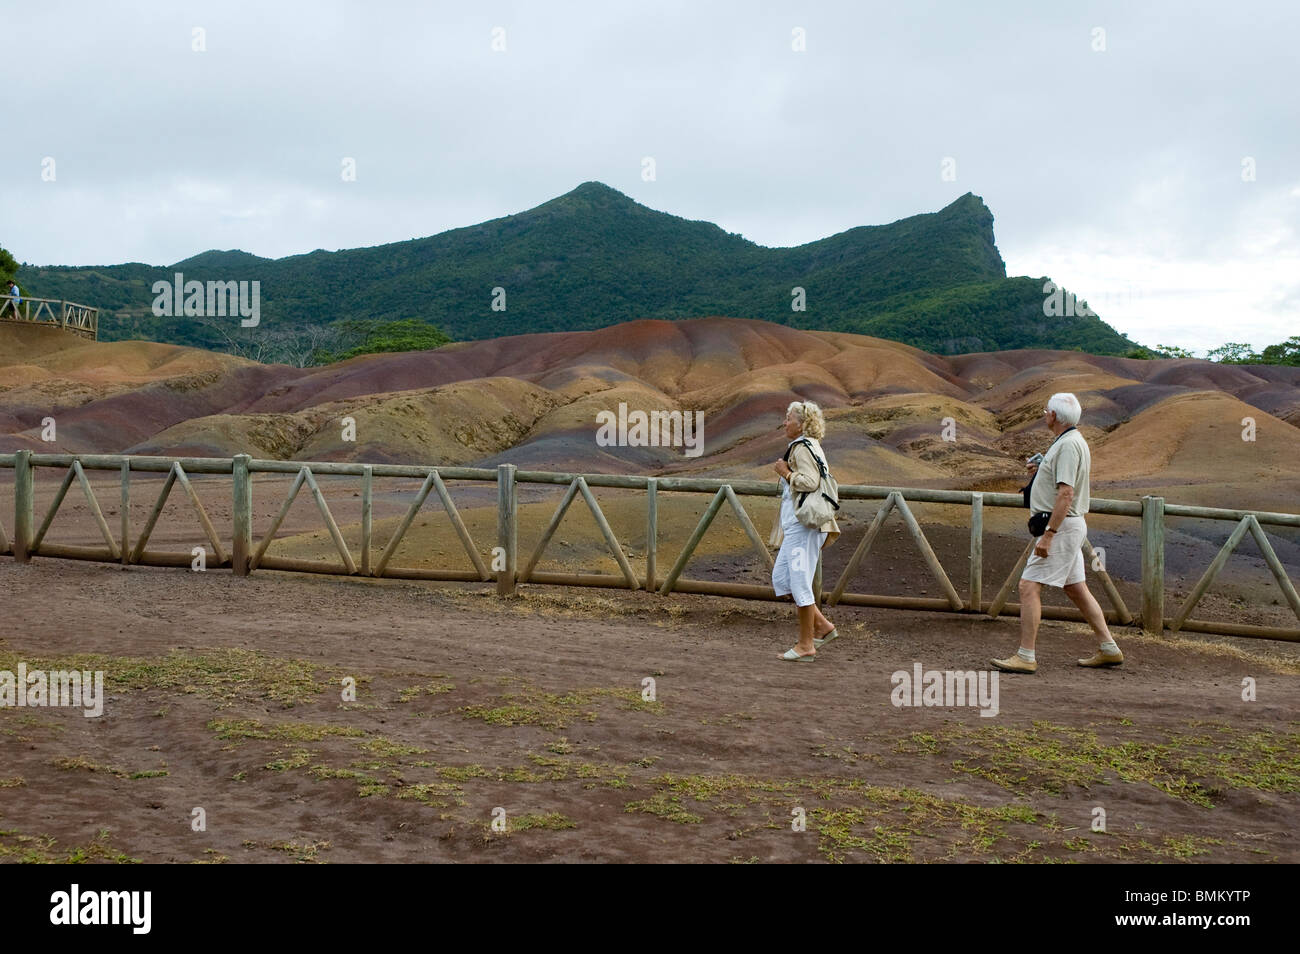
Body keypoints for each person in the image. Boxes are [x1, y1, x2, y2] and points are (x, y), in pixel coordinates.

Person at [992, 392, 1124, 673]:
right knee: (1075, 588)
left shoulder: (1067, 446)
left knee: (1028, 586)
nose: (1044, 415)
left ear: (1053, 415)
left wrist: (1050, 534)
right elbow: (1060, 484)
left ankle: (1026, 656)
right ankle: (1109, 648)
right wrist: (1041, 470)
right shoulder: (1070, 442)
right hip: (1069, 526)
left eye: (1045, 411)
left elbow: (1066, 492)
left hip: (1061, 528)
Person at [771, 400, 841, 661]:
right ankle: (822, 626)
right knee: (782, 579)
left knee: (799, 582)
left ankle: (805, 645)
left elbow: (809, 482)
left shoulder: (801, 448)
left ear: (801, 424)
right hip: (799, 527)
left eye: (788, 418)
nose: (784, 422)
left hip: (805, 526)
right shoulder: (811, 446)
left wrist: (785, 472)